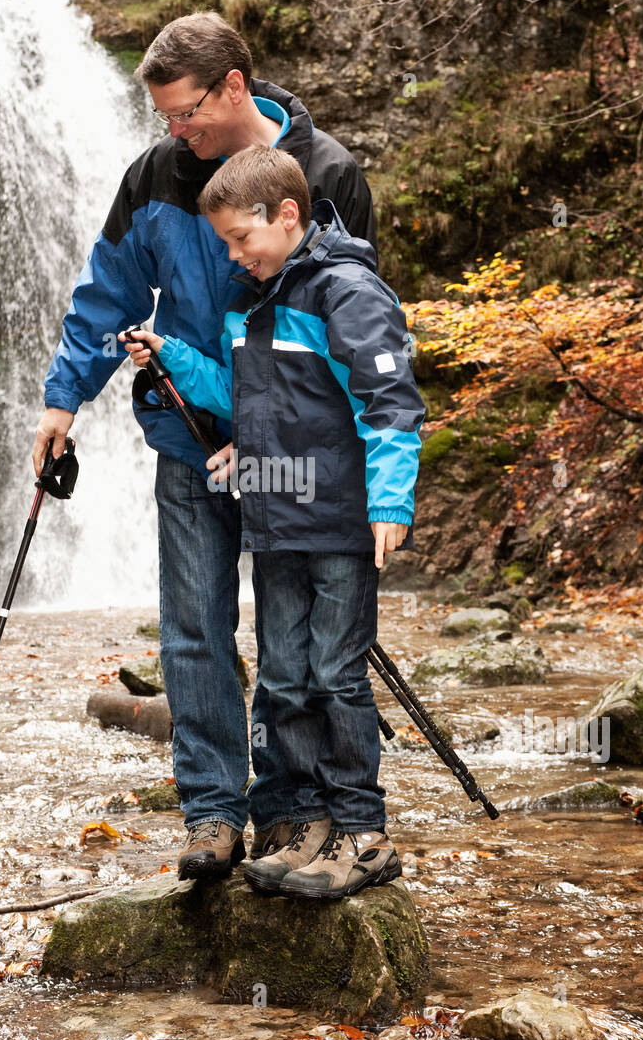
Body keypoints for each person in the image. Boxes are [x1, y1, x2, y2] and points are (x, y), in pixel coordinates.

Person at [32, 12, 377, 881]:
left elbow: (361, 329)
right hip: (191, 434)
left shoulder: (328, 173)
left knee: (300, 638)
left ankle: (298, 813)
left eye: (185, 113)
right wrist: (62, 400)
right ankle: (215, 814)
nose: (173, 132)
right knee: (193, 630)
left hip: (295, 456)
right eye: (163, 118)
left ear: (233, 86)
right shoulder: (154, 177)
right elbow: (107, 290)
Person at [120, 145, 425, 900]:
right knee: (284, 679)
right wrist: (171, 357)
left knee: (333, 676)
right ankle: (306, 824)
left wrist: (390, 502)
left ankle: (364, 832)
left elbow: (389, 404)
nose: (233, 255)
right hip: (275, 524)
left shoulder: (346, 294)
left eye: (239, 240)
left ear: (287, 216)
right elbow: (236, 392)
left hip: (340, 528)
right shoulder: (253, 299)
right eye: (223, 243)